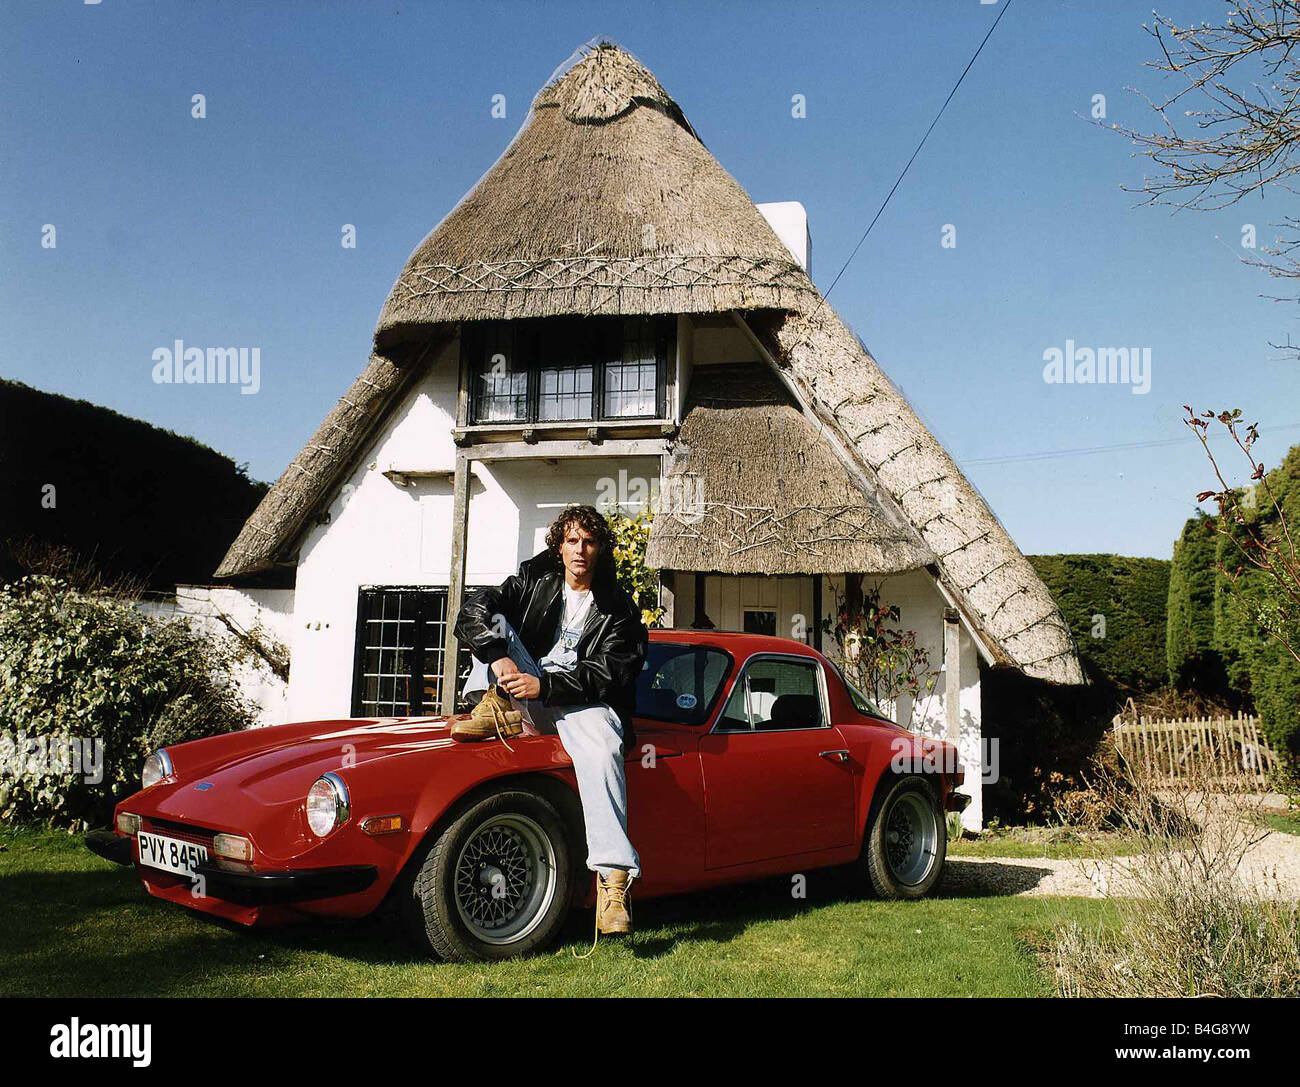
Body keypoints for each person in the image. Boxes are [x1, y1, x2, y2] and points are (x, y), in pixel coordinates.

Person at [451, 504, 649, 938]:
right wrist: (498, 656)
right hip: (528, 689)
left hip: (580, 701)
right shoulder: (533, 579)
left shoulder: (619, 608)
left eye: (590, 542)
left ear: (600, 549)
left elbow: (610, 674)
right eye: (572, 540)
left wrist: (546, 686)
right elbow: (474, 610)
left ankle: (613, 884)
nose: (580, 550)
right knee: (495, 621)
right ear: (559, 546)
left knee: (604, 748)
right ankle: (494, 704)